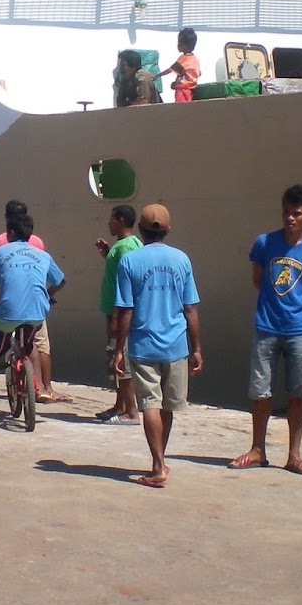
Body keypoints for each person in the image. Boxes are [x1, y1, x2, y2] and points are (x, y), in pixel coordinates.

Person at [232, 185, 302, 476]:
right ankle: (257, 449)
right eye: (286, 212)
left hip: (299, 330)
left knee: (299, 393)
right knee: (260, 391)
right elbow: (258, 280)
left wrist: (299, 318)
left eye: (296, 214)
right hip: (266, 328)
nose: (289, 218)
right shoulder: (264, 243)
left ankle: (293, 455)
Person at [110, 204, 200, 488]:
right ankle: (159, 461)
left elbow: (125, 309)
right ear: (168, 229)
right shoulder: (182, 259)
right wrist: (197, 347)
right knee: (168, 406)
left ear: (140, 230)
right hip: (176, 343)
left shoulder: (130, 261)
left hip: (143, 343)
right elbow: (190, 309)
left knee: (149, 403)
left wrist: (119, 348)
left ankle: (158, 464)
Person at [0, 212, 65, 424]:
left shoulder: (1, 252)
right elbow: (61, 281)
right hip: (37, 314)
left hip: (7, 315)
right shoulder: (43, 255)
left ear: (10, 232)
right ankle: (36, 386)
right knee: (29, 343)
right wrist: (48, 294)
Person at [94, 204, 141, 424]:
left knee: (120, 357)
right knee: (116, 358)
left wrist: (116, 316)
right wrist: (107, 254)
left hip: (119, 312)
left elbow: (128, 284)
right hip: (116, 311)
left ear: (121, 220)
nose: (109, 223)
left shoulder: (126, 247)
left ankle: (131, 411)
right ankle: (119, 405)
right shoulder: (122, 246)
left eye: (112, 219)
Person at [152, 27, 200, 102]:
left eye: (179, 44)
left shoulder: (184, 59)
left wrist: (157, 75)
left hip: (182, 89)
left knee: (180, 108)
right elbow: (198, 73)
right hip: (191, 89)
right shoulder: (195, 59)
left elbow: (170, 70)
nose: (177, 45)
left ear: (185, 46)